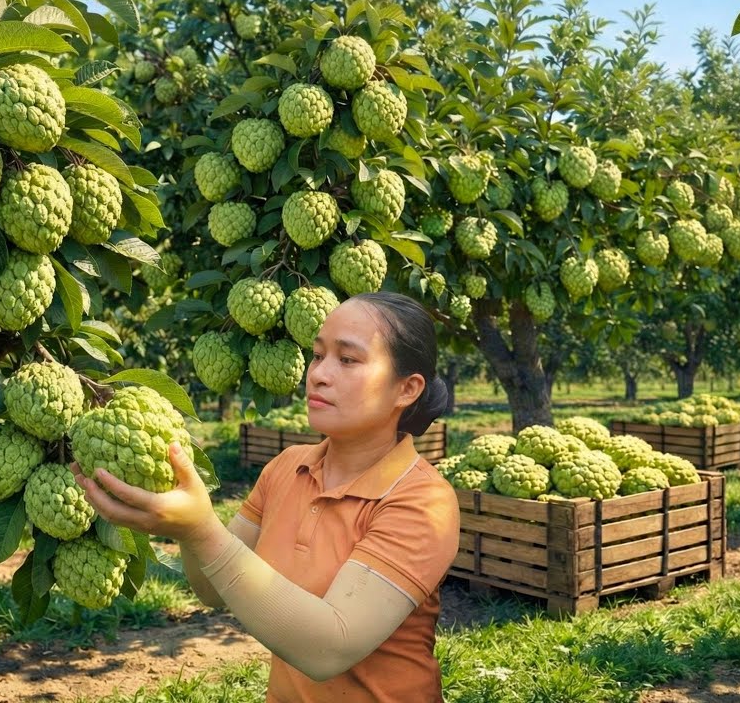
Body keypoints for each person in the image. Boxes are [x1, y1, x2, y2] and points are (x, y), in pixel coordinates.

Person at [74, 291, 461, 702]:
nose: (318, 374)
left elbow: (330, 648)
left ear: (407, 389)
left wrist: (203, 530)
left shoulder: (422, 500)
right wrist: (182, 519)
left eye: (347, 359)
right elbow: (212, 590)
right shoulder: (287, 468)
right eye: (317, 355)